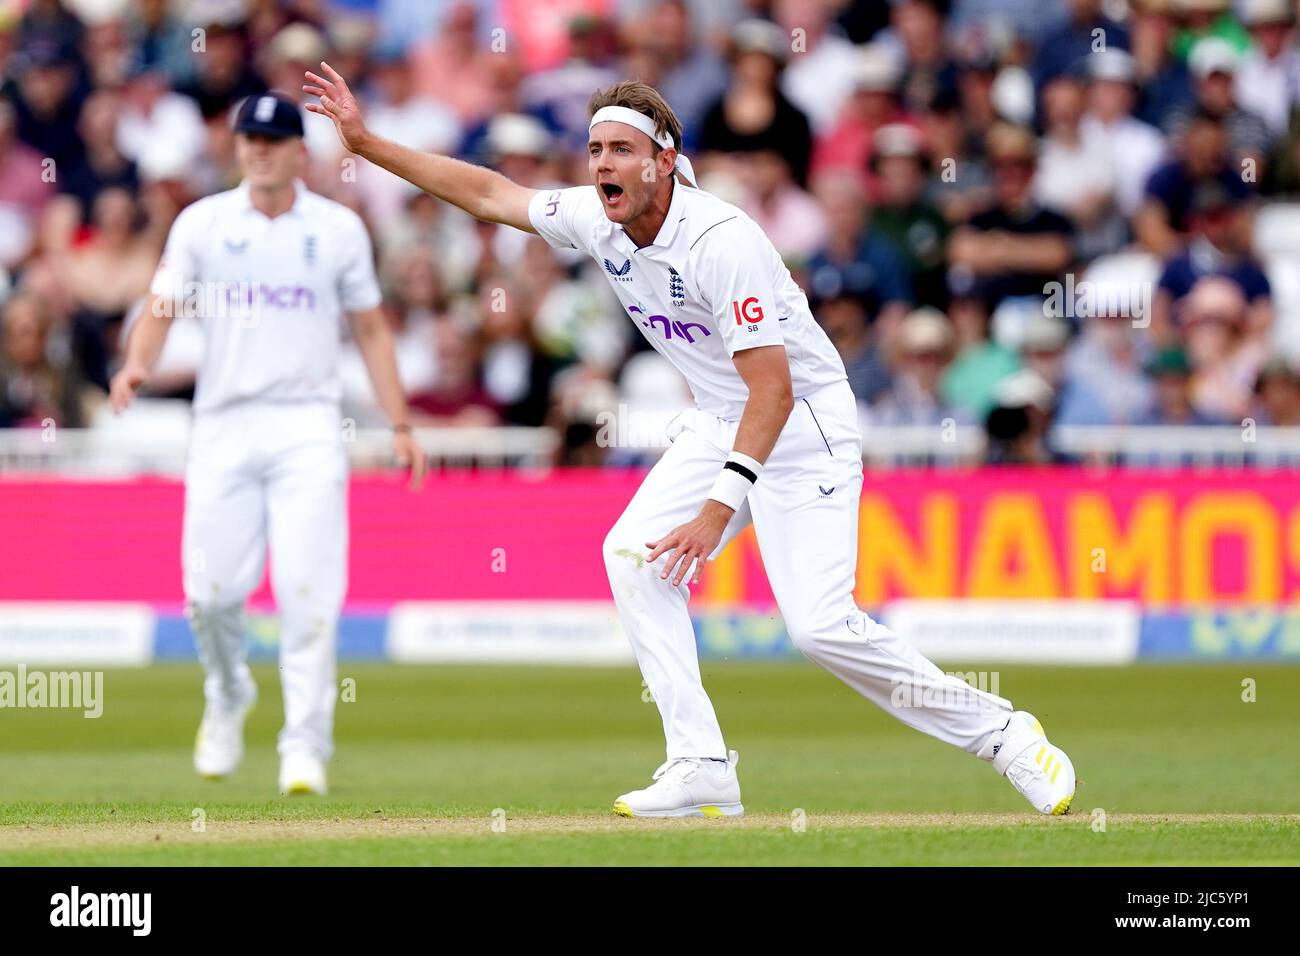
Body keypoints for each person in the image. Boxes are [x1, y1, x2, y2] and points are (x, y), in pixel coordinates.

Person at [304, 63, 1077, 817]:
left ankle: (1007, 737)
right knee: (631, 555)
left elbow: (772, 391)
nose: (603, 164)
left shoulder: (721, 240)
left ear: (665, 161)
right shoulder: (594, 217)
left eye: (622, 150)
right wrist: (368, 146)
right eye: (596, 149)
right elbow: (488, 192)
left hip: (802, 422)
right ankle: (701, 766)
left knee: (817, 626)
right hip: (720, 416)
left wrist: (715, 510)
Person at [109, 92, 426, 796]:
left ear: (299, 152)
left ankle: (305, 743)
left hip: (308, 425)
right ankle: (227, 694)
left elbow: (371, 330)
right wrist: (137, 364)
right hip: (223, 424)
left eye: (272, 139)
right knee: (209, 594)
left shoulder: (339, 231)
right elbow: (161, 308)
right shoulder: (203, 224)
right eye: (248, 138)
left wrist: (400, 423)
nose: (257, 149)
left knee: (309, 594)